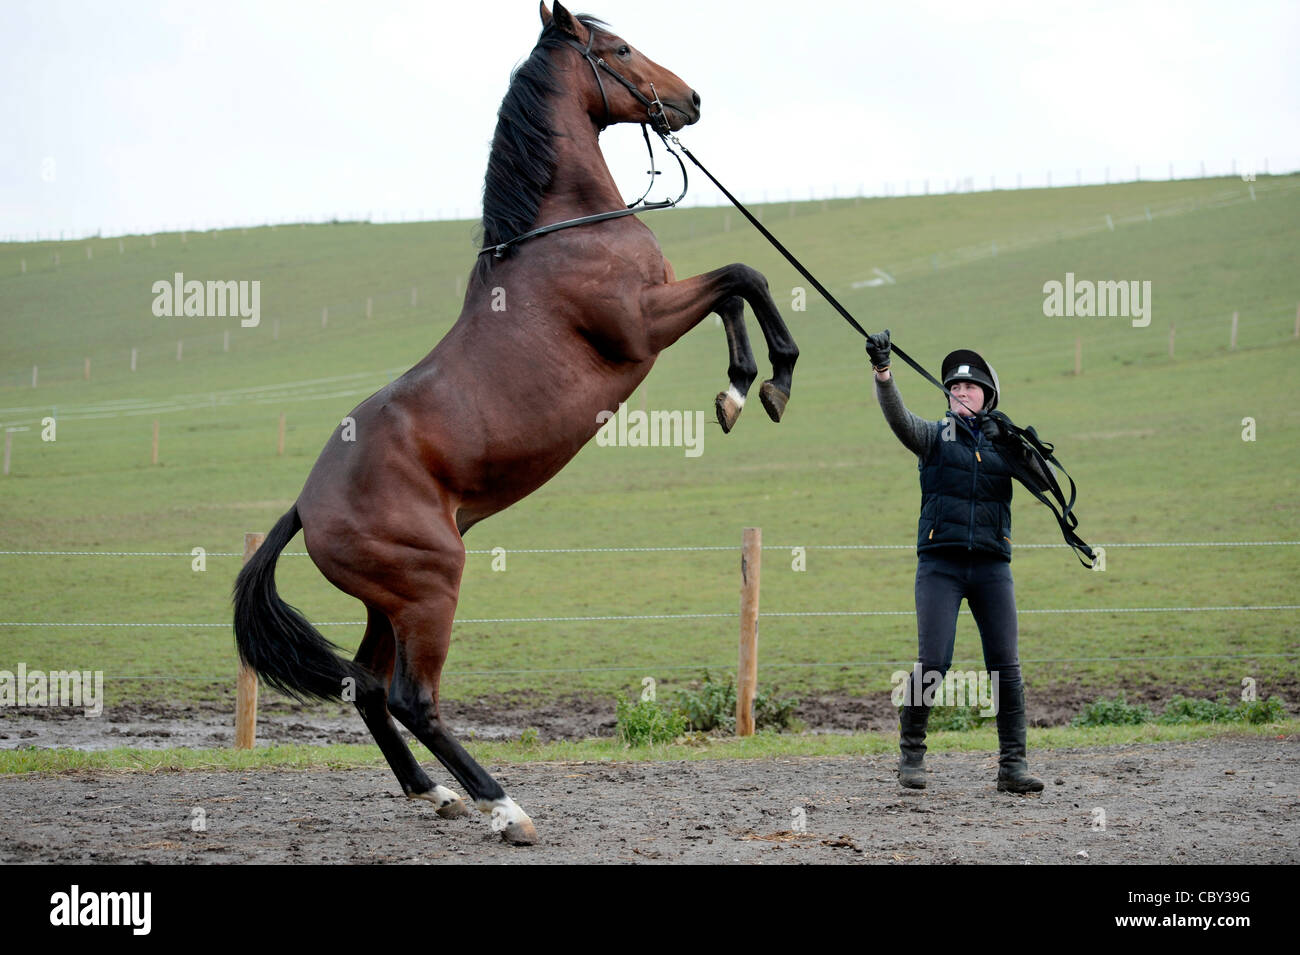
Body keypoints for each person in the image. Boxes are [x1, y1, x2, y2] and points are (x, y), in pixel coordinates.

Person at [865, 328, 1044, 794]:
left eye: (970, 387)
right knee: (934, 663)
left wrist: (1017, 441)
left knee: (1006, 666)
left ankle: (1013, 766)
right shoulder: (934, 437)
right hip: (940, 566)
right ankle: (911, 755)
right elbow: (900, 419)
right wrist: (884, 374)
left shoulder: (1001, 442)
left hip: (991, 568)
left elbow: (1044, 484)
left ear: (987, 396)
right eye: (955, 386)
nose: (961, 391)